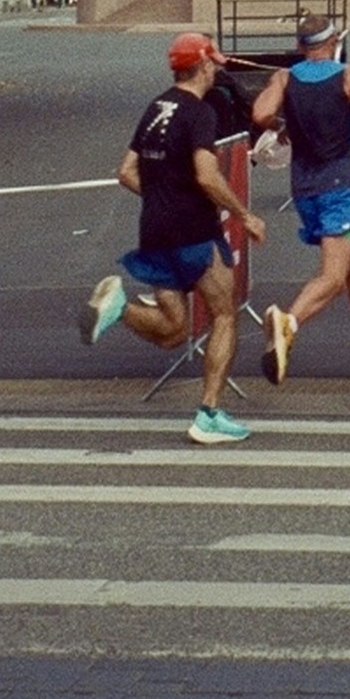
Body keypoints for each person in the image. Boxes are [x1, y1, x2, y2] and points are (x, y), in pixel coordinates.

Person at [81, 30, 267, 446]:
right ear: (202, 65)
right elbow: (206, 174)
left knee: (171, 331)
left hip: (155, 227)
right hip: (194, 229)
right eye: (213, 62)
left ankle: (118, 309)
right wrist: (244, 214)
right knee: (224, 313)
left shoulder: (155, 107)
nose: (218, 68)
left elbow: (126, 171)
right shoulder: (200, 114)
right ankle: (209, 413)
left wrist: (164, 196)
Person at [249, 14, 350, 392]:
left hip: (305, 186)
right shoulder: (349, 75)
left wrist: (283, 126)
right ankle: (288, 324)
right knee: (334, 275)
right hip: (340, 185)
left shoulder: (285, 78)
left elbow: (259, 113)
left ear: (300, 46)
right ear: (334, 40)